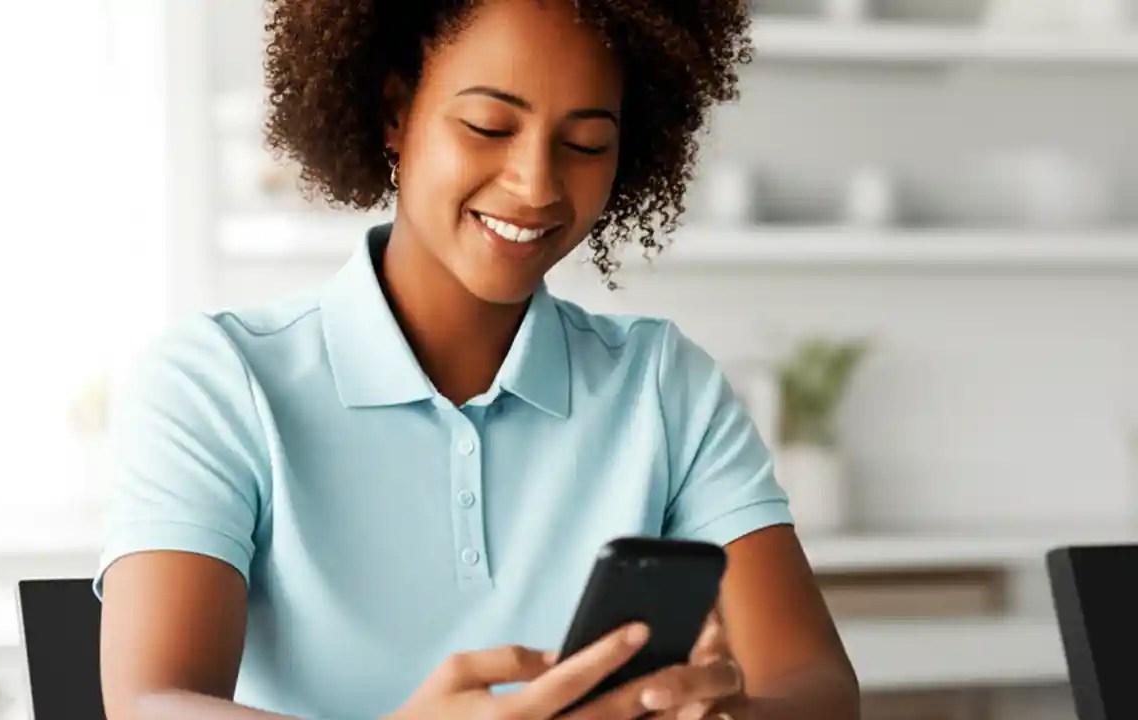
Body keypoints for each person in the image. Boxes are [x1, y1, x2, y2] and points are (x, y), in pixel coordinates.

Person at [95, 0, 860, 718]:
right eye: (489, 126)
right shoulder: (219, 380)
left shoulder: (662, 384)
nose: (536, 184)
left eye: (586, 144)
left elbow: (816, 683)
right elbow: (149, 704)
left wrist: (721, 709)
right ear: (395, 113)